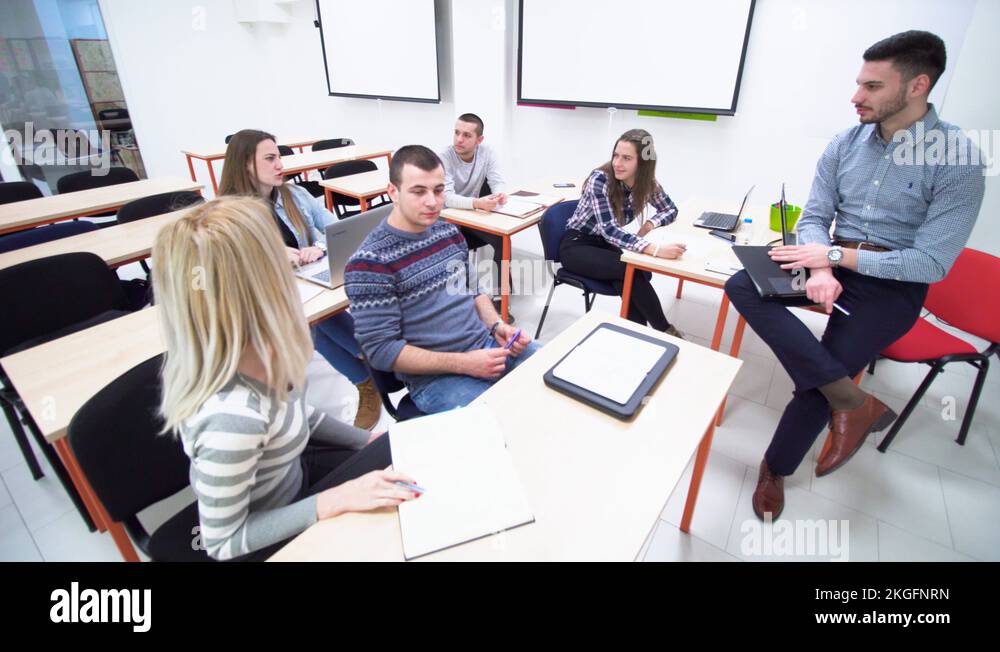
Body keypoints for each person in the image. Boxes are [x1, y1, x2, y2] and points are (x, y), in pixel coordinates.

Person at [724, 31, 985, 520]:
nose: (855, 97)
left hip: (893, 284)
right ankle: (853, 401)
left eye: (871, 87)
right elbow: (815, 214)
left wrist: (836, 261)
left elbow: (931, 263)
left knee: (821, 374)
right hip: (829, 257)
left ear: (916, 86)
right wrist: (820, 263)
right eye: (857, 84)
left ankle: (775, 467)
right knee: (743, 283)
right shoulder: (845, 144)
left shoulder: (960, 160)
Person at [153, 197, 418, 561]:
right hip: (266, 534)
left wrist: (368, 440)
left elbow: (300, 415)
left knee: (408, 455)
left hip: (297, 477)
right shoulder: (231, 419)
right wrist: (333, 501)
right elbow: (223, 542)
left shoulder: (264, 357)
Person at [345, 145, 538, 415]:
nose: (433, 201)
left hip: (487, 347)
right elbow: (382, 351)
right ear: (393, 192)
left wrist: (496, 326)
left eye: (438, 190)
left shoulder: (447, 231)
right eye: (418, 191)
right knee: (505, 421)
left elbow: (474, 289)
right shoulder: (369, 263)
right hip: (437, 378)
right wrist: (465, 363)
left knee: (553, 376)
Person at [218, 129, 381, 430]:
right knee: (312, 324)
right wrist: (275, 255)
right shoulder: (229, 212)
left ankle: (368, 375)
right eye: (270, 158)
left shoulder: (296, 195)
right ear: (245, 164)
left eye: (279, 156)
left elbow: (335, 231)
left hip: (308, 282)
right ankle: (375, 363)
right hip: (264, 292)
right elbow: (233, 261)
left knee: (317, 323)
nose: (280, 164)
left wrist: (316, 247)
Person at [560, 128, 685, 337]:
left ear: (642, 163)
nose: (618, 163)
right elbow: (609, 230)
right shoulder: (600, 179)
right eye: (616, 155)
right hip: (576, 245)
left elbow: (670, 209)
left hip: (603, 245)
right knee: (632, 271)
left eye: (627, 158)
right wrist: (654, 249)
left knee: (632, 273)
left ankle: (635, 335)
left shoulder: (646, 183)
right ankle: (665, 332)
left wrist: (650, 224)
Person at [439, 113, 515, 321]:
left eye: (466, 135)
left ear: (479, 140)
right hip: (447, 219)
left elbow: (497, 180)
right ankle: (461, 303)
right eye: (456, 133)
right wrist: (477, 203)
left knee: (502, 239)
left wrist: (499, 194)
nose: (459, 139)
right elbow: (447, 198)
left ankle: (501, 297)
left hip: (471, 216)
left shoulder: (487, 152)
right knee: (454, 247)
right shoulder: (444, 156)